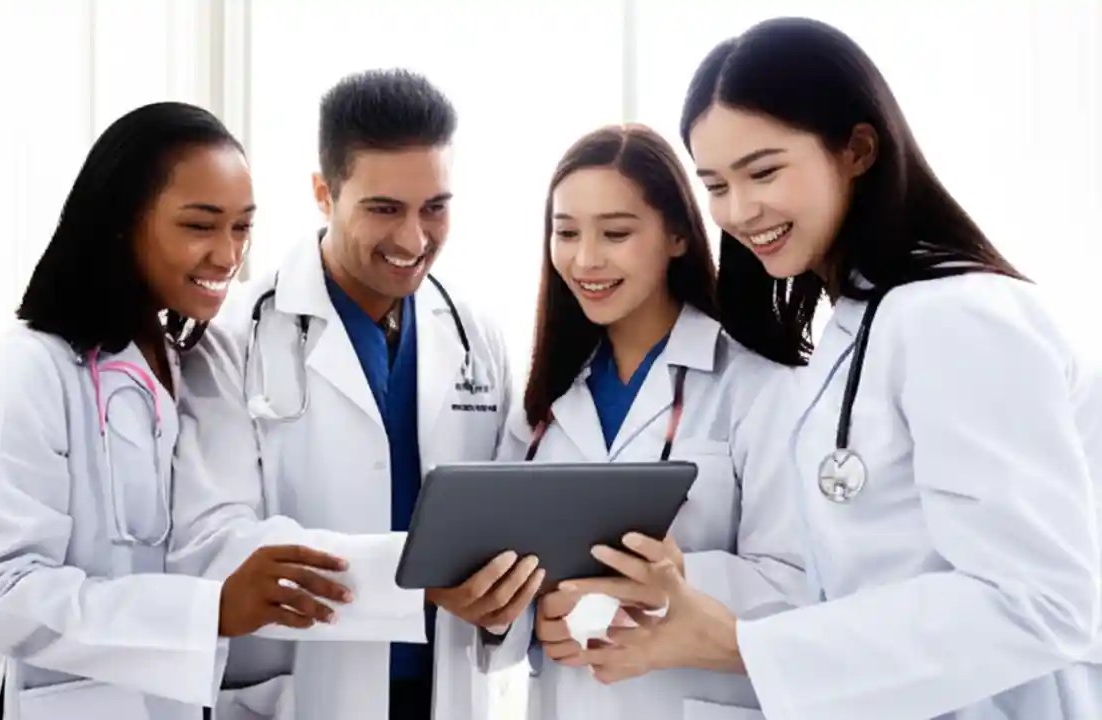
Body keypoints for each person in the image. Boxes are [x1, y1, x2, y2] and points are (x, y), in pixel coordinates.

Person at [570, 17, 1102, 720]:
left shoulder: (956, 316)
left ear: (856, 150)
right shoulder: (859, 326)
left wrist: (738, 642)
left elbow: (1043, 602)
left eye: (763, 172)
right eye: (715, 185)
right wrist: (692, 598)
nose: (739, 210)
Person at [0, 102, 350, 720]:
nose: (227, 255)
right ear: (122, 221)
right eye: (200, 225)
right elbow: (1, 595)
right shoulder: (30, 372)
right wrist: (208, 611)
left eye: (242, 228)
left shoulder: (194, 359)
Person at [168, 69, 538, 720]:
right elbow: (214, 545)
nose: (414, 240)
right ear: (323, 192)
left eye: (436, 208)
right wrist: (416, 577)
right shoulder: (232, 339)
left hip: (444, 691)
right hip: (304, 692)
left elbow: (508, 518)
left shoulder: (477, 336)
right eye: (385, 209)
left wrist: (503, 596)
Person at [475, 124, 806, 719]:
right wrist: (527, 615)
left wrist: (658, 586)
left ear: (678, 234)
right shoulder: (545, 404)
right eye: (566, 232)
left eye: (616, 233)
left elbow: (799, 585)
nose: (585, 259)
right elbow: (504, 578)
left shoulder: (756, 386)